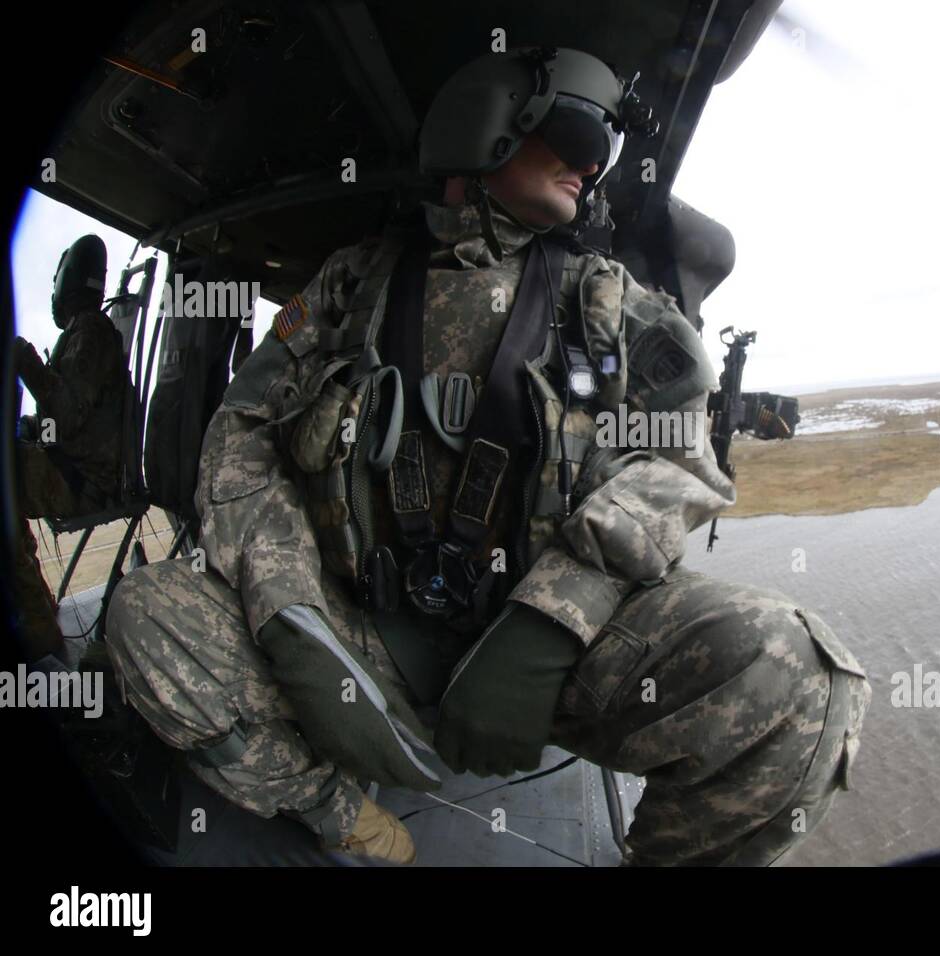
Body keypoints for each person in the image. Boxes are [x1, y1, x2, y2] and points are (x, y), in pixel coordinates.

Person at [104, 47, 868, 865]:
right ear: (489, 128)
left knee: (801, 682)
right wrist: (292, 619)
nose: (589, 166)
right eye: (575, 136)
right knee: (148, 615)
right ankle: (343, 816)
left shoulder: (608, 302)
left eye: (601, 154)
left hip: (555, 652)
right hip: (356, 631)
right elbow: (241, 437)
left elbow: (682, 461)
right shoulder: (344, 288)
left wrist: (550, 622)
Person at [13, 234, 129, 661]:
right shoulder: (87, 332)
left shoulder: (92, 331)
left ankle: (40, 635)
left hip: (79, 482)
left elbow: (65, 415)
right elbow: (64, 423)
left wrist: (25, 359)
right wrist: (29, 428)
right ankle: (37, 612)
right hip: (72, 469)